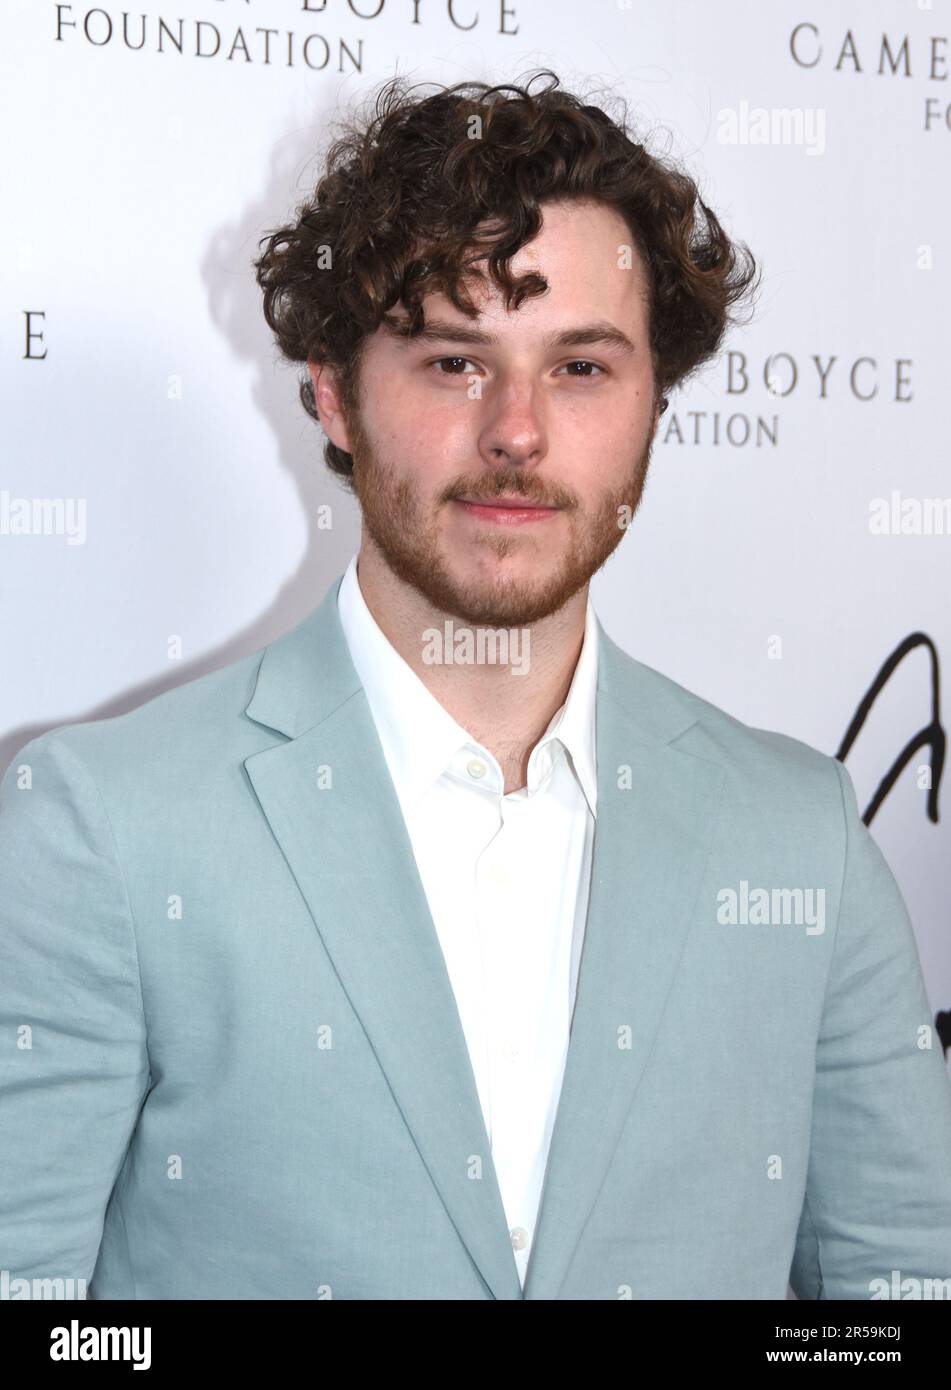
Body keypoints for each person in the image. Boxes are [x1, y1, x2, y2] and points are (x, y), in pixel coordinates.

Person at [2, 72, 949, 1302]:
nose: (516, 431)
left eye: (582, 369)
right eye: (455, 362)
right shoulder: (104, 829)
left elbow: (897, 1302)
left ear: (654, 406)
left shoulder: (802, 845)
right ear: (337, 392)